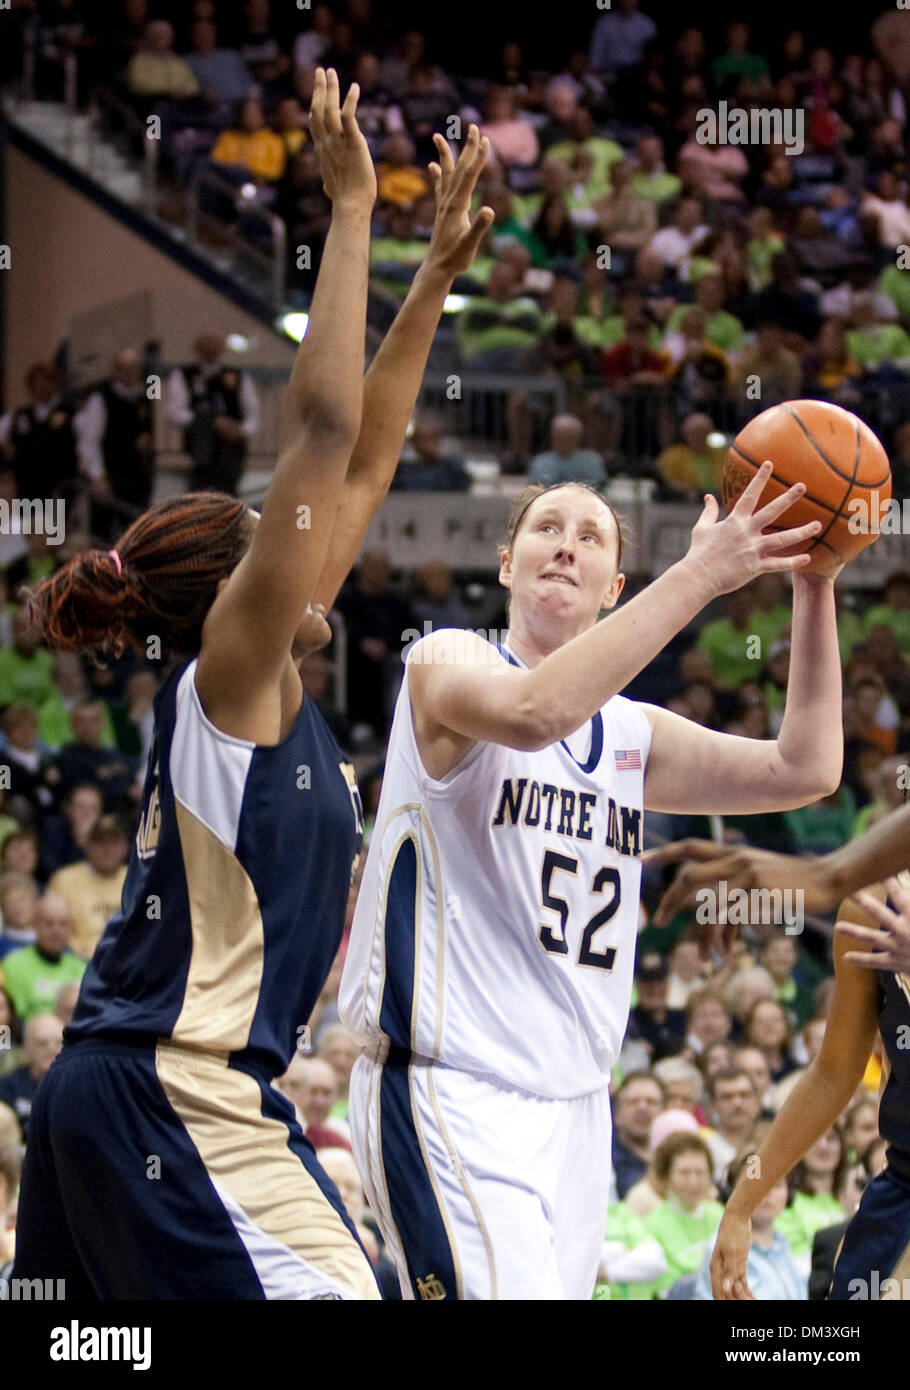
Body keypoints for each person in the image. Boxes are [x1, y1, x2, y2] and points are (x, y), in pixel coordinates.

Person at [11, 74, 495, 1301]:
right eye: (282, 548)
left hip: (121, 1091)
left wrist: (435, 271)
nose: (317, 540)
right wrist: (348, 211)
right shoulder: (231, 676)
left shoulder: (252, 676)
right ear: (236, 590)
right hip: (176, 1092)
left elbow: (371, 453)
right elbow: (322, 434)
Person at [340, 447, 842, 1299]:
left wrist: (815, 578)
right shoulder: (448, 664)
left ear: (614, 587)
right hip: (449, 1089)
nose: (567, 546)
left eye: (592, 537)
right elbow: (536, 713)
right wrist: (699, 574)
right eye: (547, 529)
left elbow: (808, 766)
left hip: (578, 1110)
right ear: (506, 564)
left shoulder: (633, 734)